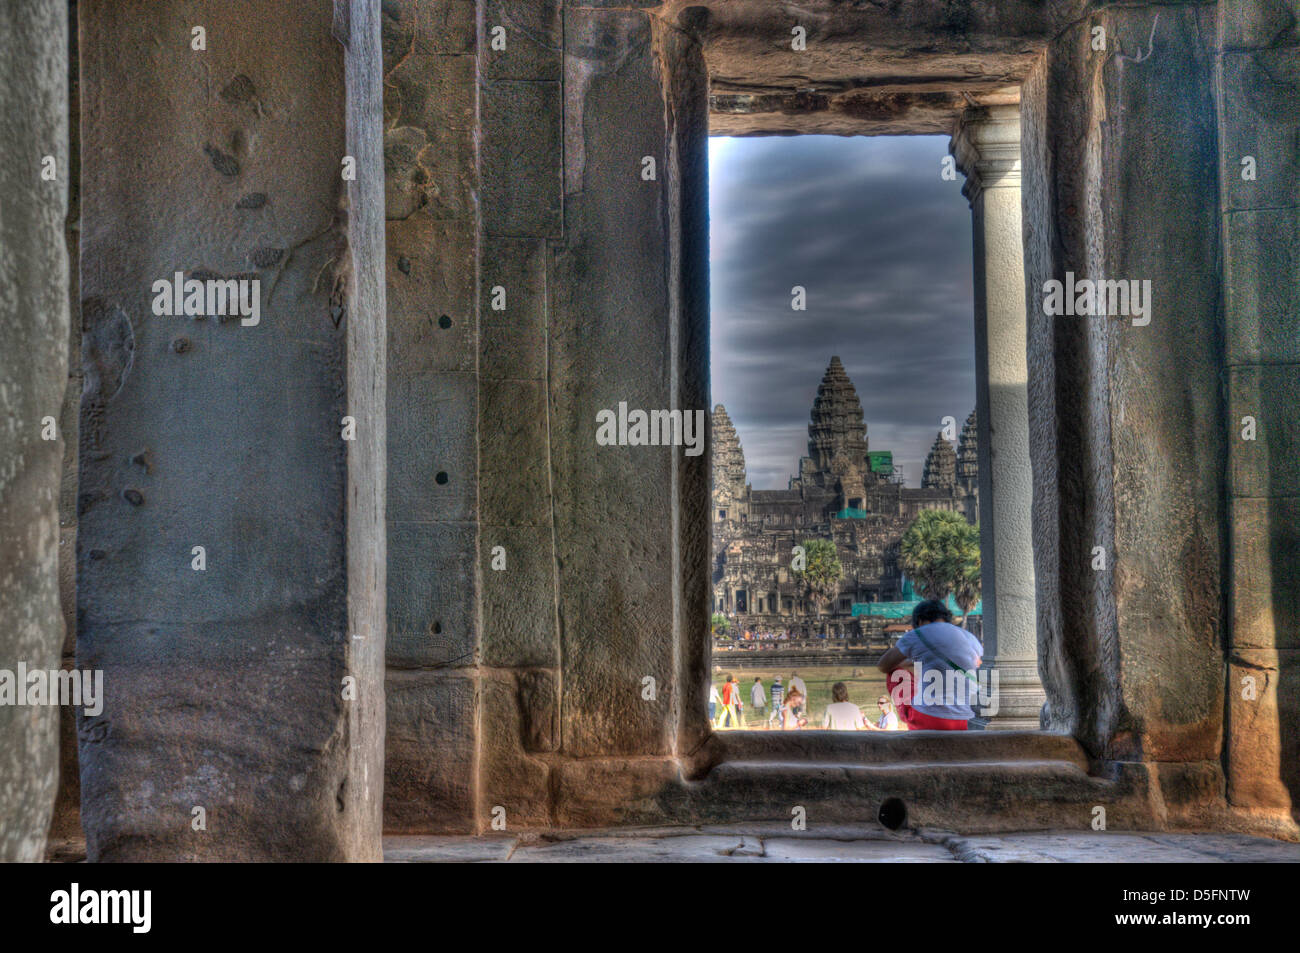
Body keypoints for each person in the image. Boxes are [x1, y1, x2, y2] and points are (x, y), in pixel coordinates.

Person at [877, 599, 983, 730]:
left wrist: (908, 664)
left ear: (920, 621)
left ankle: (911, 718)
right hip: (969, 719)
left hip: (931, 718)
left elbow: (883, 665)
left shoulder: (918, 634)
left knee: (895, 672)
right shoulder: (969, 637)